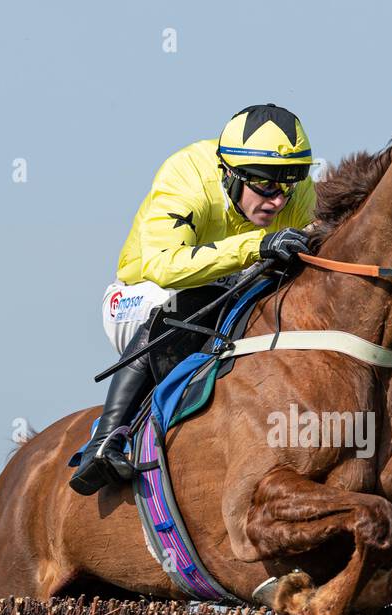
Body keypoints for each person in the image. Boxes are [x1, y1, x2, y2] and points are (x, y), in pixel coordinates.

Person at [69, 104, 318, 495]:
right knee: (180, 301)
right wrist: (257, 244)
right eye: (265, 187)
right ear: (230, 174)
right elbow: (164, 265)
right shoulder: (185, 175)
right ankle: (106, 438)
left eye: (287, 187)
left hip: (230, 296)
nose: (278, 201)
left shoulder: (294, 192)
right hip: (144, 295)